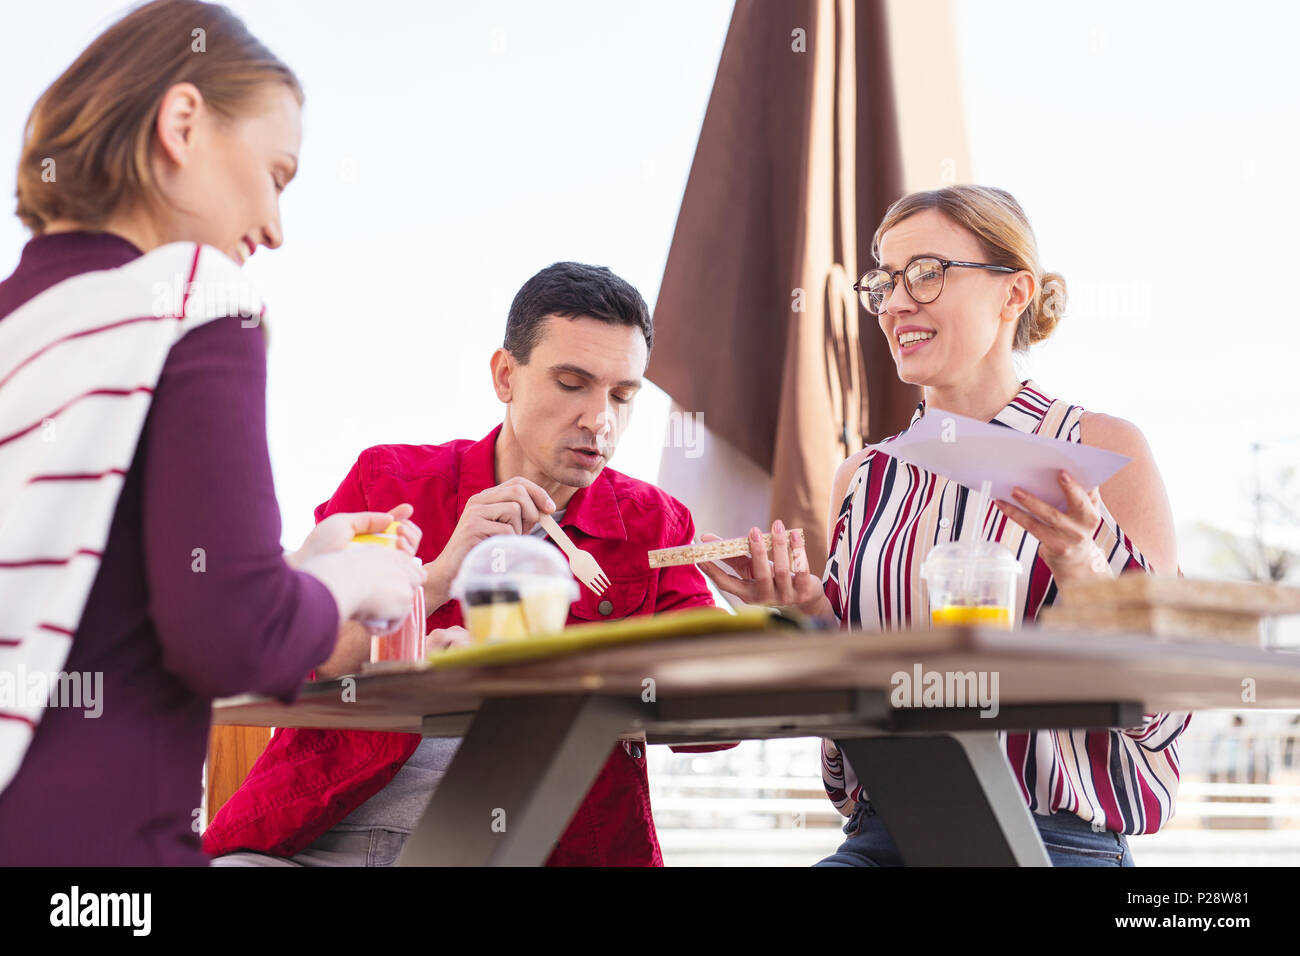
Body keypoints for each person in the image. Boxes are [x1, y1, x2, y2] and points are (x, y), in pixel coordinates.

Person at [0, 0, 423, 865]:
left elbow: (94, 603)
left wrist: (294, 569)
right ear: (182, 123)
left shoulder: (19, 327)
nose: (275, 227)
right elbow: (231, 641)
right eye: (278, 174)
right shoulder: (191, 301)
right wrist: (355, 578)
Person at [700, 185, 1191, 867]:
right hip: (885, 836)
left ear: (1013, 293)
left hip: (1052, 841)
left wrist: (1083, 566)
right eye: (885, 282)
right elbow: (853, 712)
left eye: (927, 274)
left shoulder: (1102, 450)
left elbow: (1166, 697)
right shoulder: (864, 477)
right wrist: (801, 610)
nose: (897, 302)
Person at [204, 261, 734, 867]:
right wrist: (440, 575)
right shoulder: (390, 482)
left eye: (622, 395)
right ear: (505, 375)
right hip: (326, 834)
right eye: (571, 383)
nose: (599, 420)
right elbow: (304, 658)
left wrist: (768, 608)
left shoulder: (655, 526)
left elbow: (712, 730)